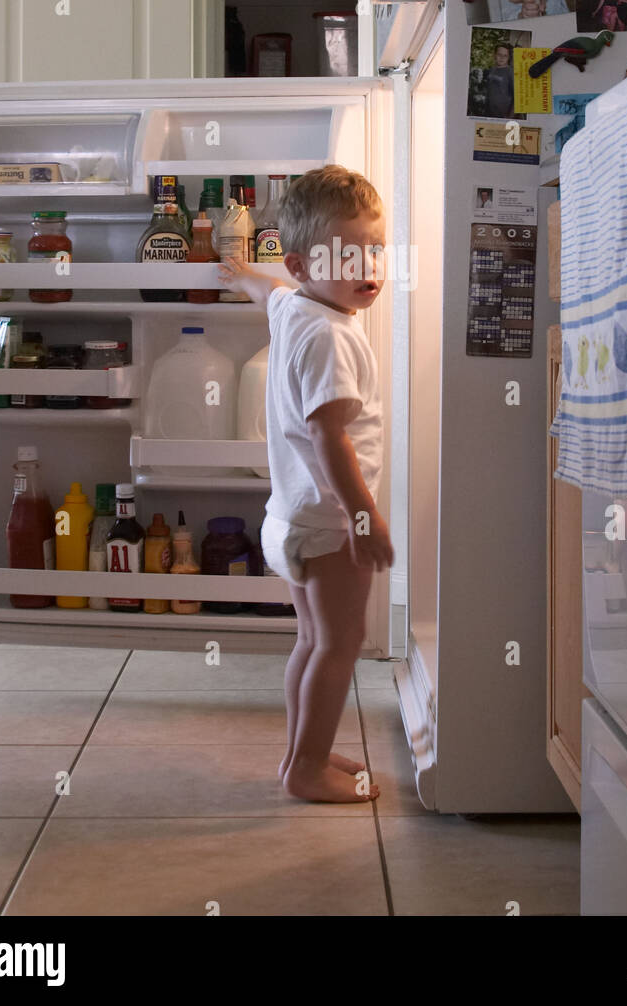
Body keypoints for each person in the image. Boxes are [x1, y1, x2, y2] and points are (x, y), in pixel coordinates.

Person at [219, 167, 393, 804]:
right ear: (302, 263)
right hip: (328, 525)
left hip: (291, 518)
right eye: (346, 254)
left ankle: (302, 751)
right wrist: (364, 519)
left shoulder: (296, 306)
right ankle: (306, 768)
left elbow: (266, 293)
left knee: (313, 642)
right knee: (339, 647)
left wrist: (239, 274)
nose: (366, 265)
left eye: (374, 248)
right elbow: (331, 440)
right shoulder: (331, 337)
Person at [484, 42, 515, 117]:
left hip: (503, 114)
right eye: (499, 55)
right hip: (488, 112)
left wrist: (510, 116)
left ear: (509, 57)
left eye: (505, 56)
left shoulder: (510, 72)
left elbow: (516, 97)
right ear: (494, 55)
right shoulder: (492, 69)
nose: (502, 58)